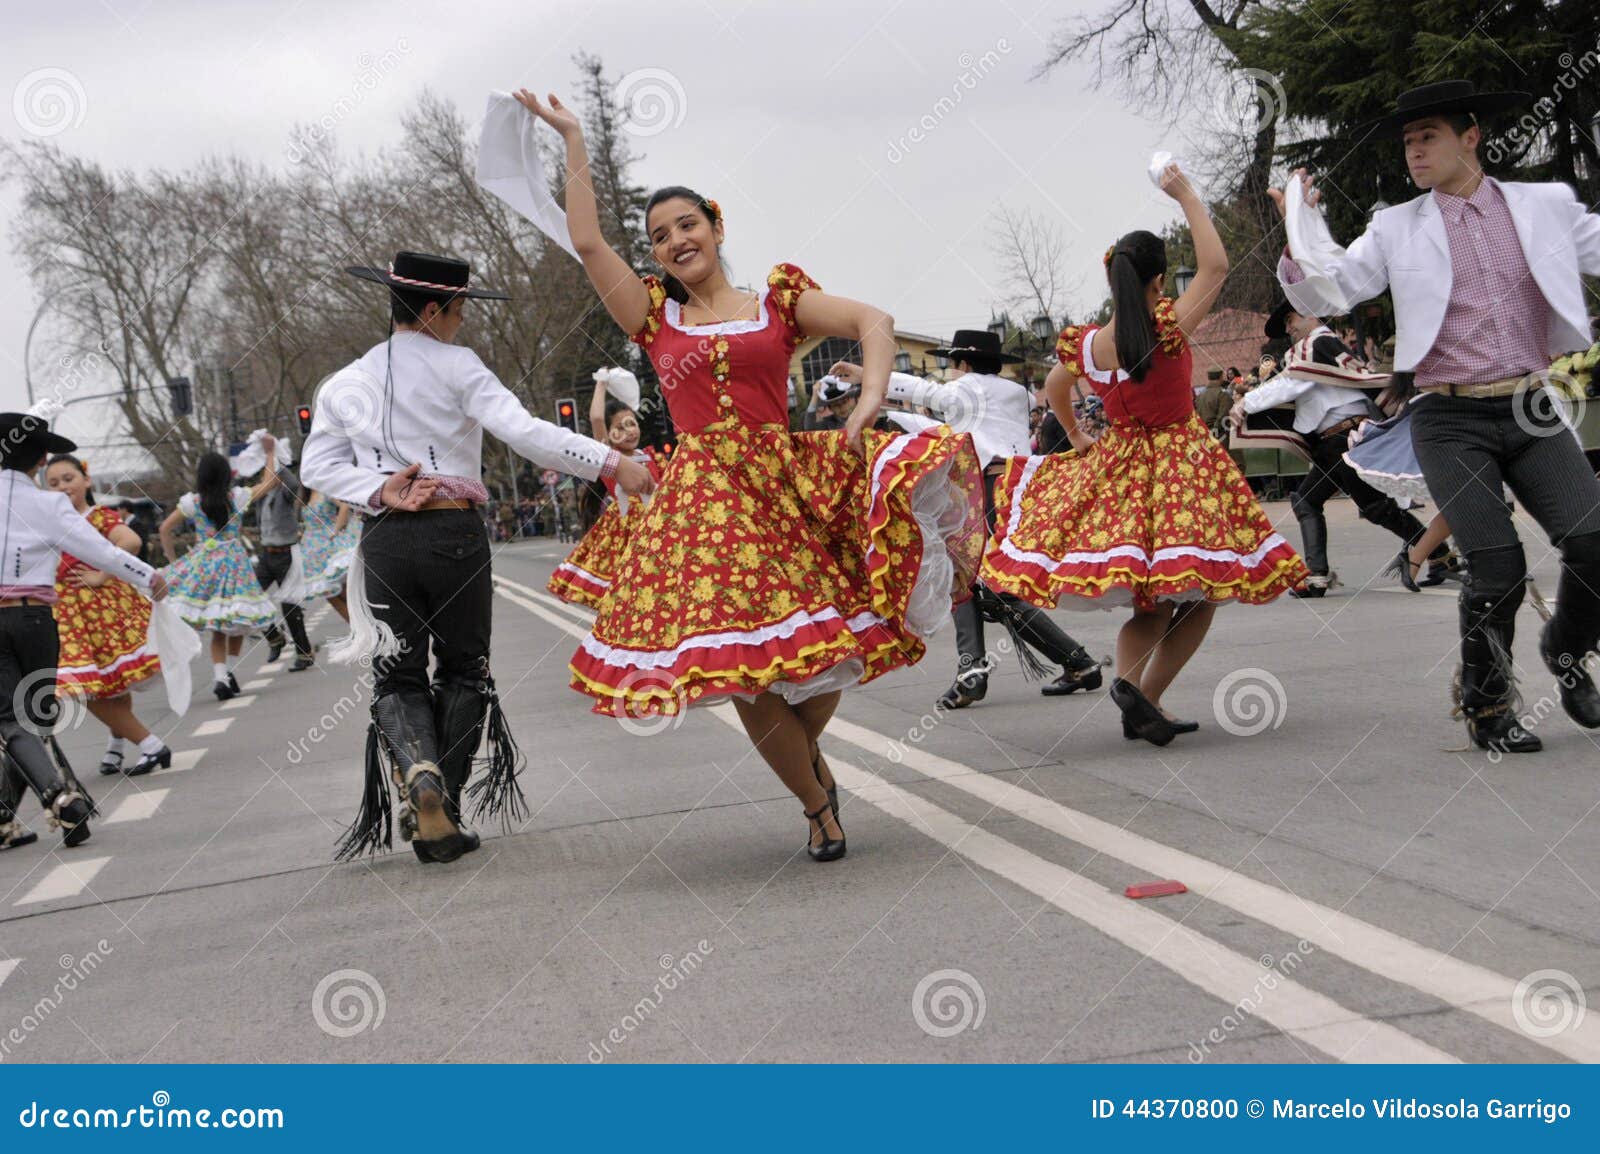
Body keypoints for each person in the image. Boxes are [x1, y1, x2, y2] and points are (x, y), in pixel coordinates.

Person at [521, 86, 983, 862]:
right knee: (745, 670)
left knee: (833, 640)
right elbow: (587, 241)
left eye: (688, 225)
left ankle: (810, 772)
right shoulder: (651, 315)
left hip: (789, 484)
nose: (675, 241)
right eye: (661, 235)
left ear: (715, 226)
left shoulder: (778, 301)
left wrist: (872, 395)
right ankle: (816, 801)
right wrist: (572, 138)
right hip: (706, 505)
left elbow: (873, 321)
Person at [1273, 79, 1600, 754]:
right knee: (1498, 566)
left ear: (1470, 137)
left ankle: (1566, 654)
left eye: (1429, 138)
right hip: (1448, 417)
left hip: (1530, 405)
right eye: (1408, 142)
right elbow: (1337, 283)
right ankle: (1487, 708)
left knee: (1595, 546)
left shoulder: (1542, 208)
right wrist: (1297, 236)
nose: (1415, 153)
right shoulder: (1398, 226)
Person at [301, 249, 654, 866]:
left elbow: (316, 467)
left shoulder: (345, 379)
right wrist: (611, 462)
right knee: (464, 668)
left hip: (384, 540)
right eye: (460, 310)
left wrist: (380, 488)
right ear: (435, 310)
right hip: (453, 536)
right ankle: (446, 806)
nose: (462, 322)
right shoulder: (457, 365)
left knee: (397, 673)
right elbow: (524, 432)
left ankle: (418, 770)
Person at [982, 161, 1307, 745]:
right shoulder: (1168, 324)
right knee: (1203, 595)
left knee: (1149, 602)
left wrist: (1078, 437)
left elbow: (1057, 387)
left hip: (1121, 468)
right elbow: (1217, 265)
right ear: (1160, 281)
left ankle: (1135, 691)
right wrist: (1184, 194)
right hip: (1180, 466)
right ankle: (1145, 695)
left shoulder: (1091, 342)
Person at [832, 327, 1104, 708]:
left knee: (981, 586)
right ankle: (989, 670)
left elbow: (927, 394)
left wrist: (868, 378)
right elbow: (957, 430)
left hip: (985, 492)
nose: (951, 374)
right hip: (1019, 488)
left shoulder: (966, 391)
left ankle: (1057, 663)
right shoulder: (1015, 395)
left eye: (952, 365)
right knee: (981, 585)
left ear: (963, 362)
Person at [0, 407, 167, 852]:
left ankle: (60, 797)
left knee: (12, 719)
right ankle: (3, 817)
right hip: (35, 618)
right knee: (31, 715)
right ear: (39, 462)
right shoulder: (47, 504)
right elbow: (104, 552)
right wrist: (148, 576)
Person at [1230, 298, 1445, 598]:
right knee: (1321, 501)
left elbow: (1290, 384)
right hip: (1336, 441)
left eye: (1292, 318)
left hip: (1342, 438)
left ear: (1313, 315)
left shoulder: (1316, 345)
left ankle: (1434, 551)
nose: (1289, 327)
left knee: (1359, 506)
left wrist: (1247, 403)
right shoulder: (1319, 348)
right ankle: (1436, 552)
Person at [44, 455, 173, 777]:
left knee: (86, 688)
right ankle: (118, 746)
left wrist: (102, 574)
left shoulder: (97, 515)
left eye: (68, 478)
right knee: (106, 686)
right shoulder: (49, 521)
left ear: (86, 481)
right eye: (54, 483)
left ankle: (151, 745)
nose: (62, 487)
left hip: (102, 612)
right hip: (70, 615)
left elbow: (129, 541)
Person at [158, 448, 282, 701]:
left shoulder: (192, 503)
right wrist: (269, 451)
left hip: (205, 563)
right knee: (239, 621)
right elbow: (270, 482)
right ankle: (227, 673)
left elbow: (164, 529)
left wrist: (174, 562)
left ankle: (222, 676)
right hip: (235, 563)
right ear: (226, 474)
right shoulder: (237, 498)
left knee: (218, 626)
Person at [251, 446, 316, 671]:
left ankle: (304, 653)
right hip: (266, 555)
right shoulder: (260, 495)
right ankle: (274, 637)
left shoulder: (285, 494)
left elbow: (294, 483)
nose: (267, 474)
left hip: (286, 554)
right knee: (250, 596)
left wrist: (274, 452)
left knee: (290, 607)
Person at [297, 490, 358, 622]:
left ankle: (366, 629)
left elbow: (345, 505)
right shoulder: (305, 494)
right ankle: (356, 630)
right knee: (330, 594)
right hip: (312, 555)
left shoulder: (324, 490)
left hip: (330, 548)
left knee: (346, 593)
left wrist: (335, 529)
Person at [1194, 368, 1231, 439]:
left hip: (1203, 432)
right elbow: (1224, 415)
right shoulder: (1222, 394)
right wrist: (1214, 431)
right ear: (1221, 377)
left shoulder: (1200, 395)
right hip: (1219, 434)